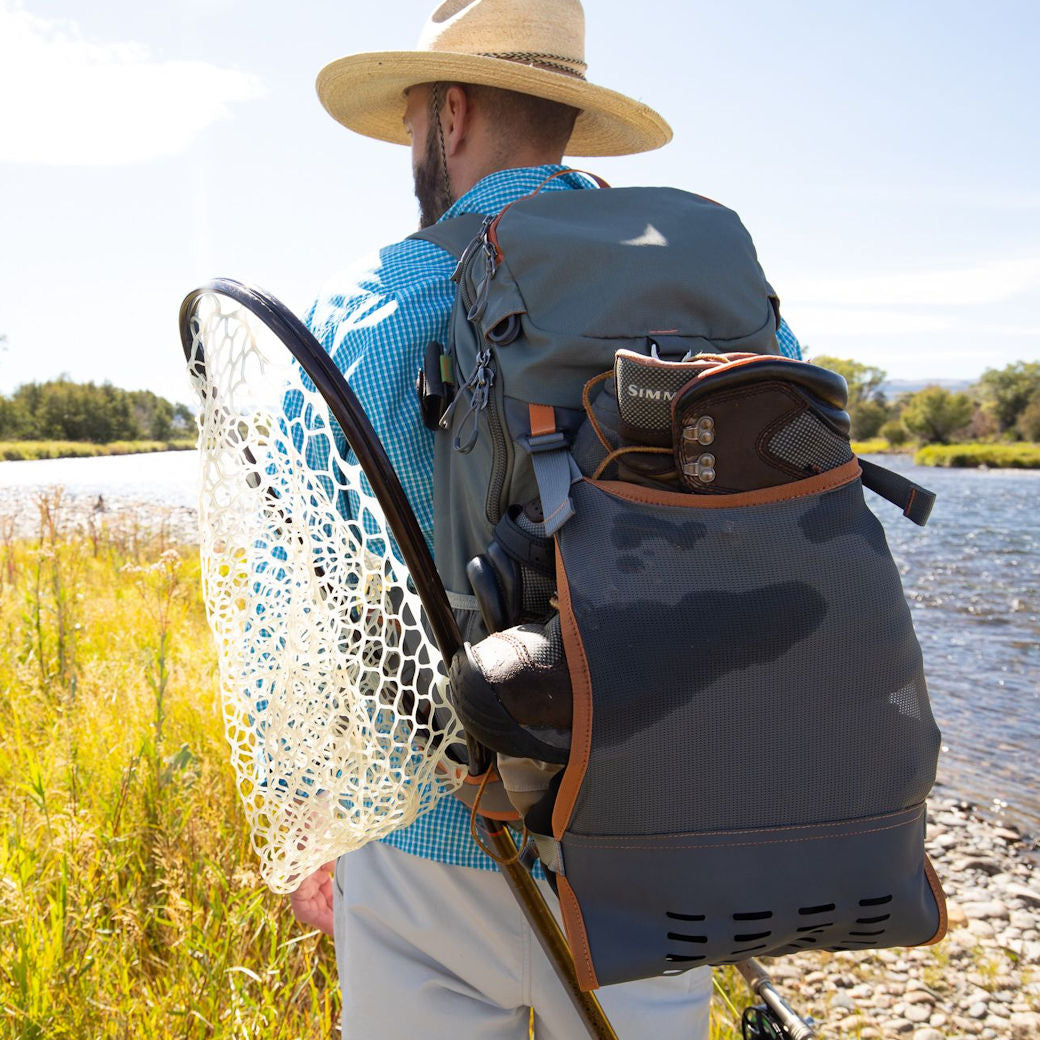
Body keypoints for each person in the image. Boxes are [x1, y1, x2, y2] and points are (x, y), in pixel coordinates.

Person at [287, 1, 802, 1036]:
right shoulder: (716, 294)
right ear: (568, 118)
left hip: (428, 831)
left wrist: (312, 827)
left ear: (451, 110)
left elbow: (292, 590)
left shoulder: (374, 301)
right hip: (652, 841)